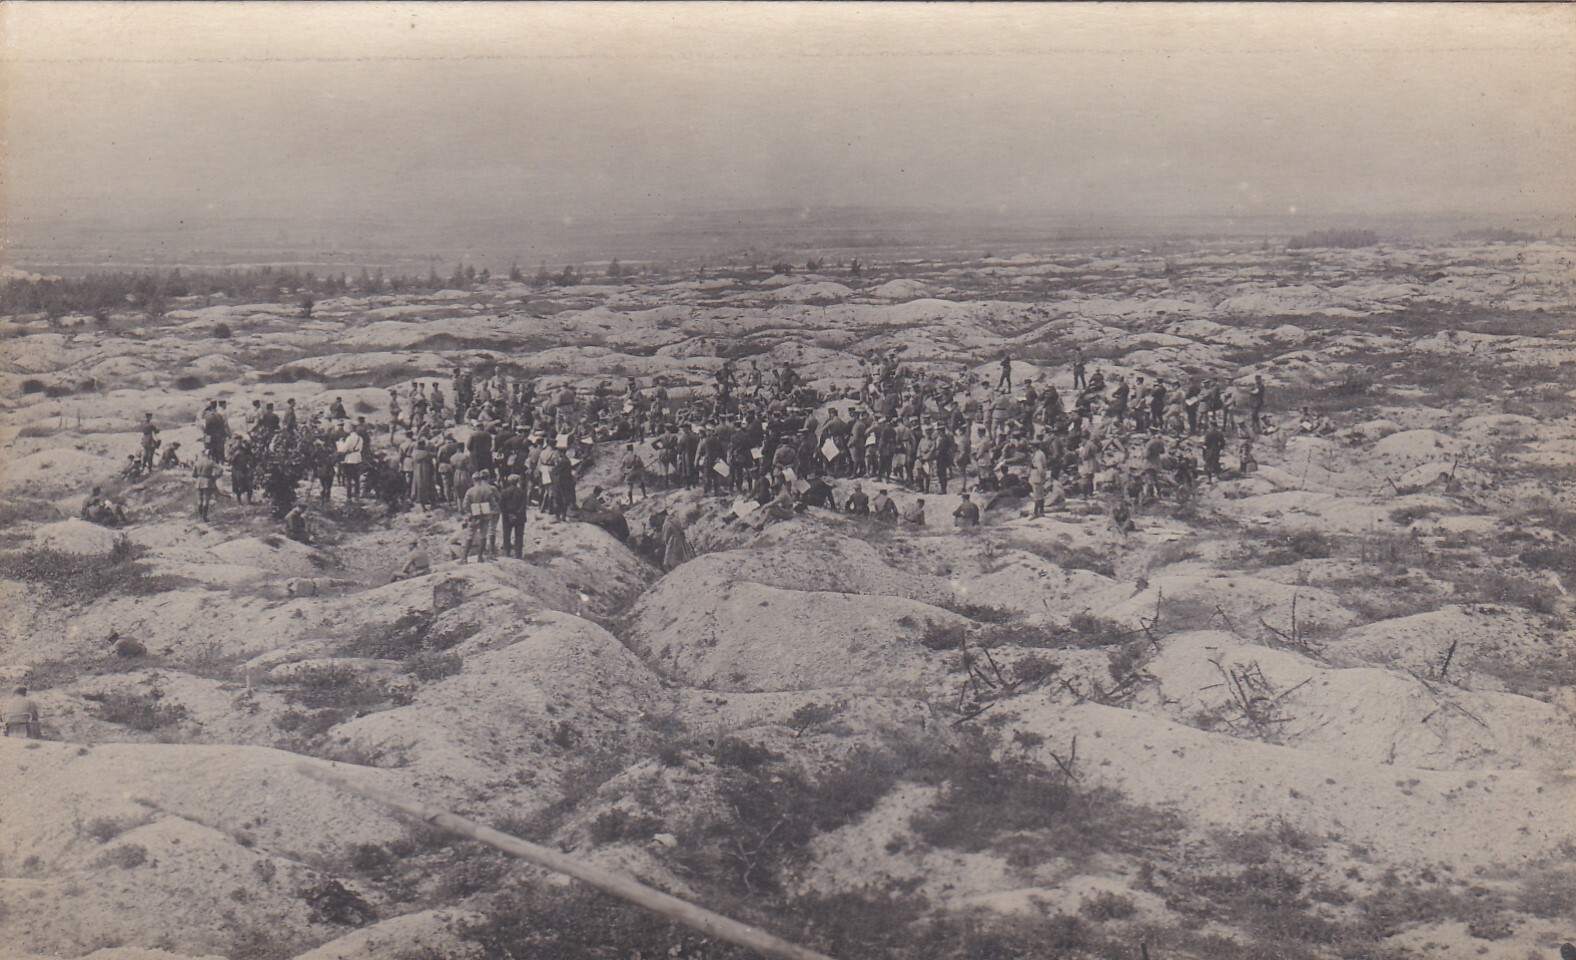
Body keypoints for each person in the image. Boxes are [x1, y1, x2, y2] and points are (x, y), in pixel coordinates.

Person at [461, 469, 502, 562]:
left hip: (474, 516)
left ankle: (464, 558)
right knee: (483, 535)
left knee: (470, 535)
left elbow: (465, 505)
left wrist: (470, 513)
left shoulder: (470, 491)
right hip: (485, 515)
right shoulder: (487, 490)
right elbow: (494, 503)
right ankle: (480, 557)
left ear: (473, 480)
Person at [500, 474, 530, 559]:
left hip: (507, 517)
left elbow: (502, 506)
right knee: (519, 536)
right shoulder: (523, 492)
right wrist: (516, 514)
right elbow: (523, 506)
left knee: (506, 535)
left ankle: (507, 552)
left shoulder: (504, 492)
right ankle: (518, 554)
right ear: (517, 481)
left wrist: (508, 514)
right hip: (519, 517)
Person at [193, 447, 221, 522]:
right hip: (208, 481)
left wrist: (198, 477)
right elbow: (220, 470)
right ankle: (204, 517)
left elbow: (193, 474)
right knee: (206, 500)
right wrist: (215, 477)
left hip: (199, 481)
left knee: (199, 500)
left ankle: (200, 516)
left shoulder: (197, 462)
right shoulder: (211, 462)